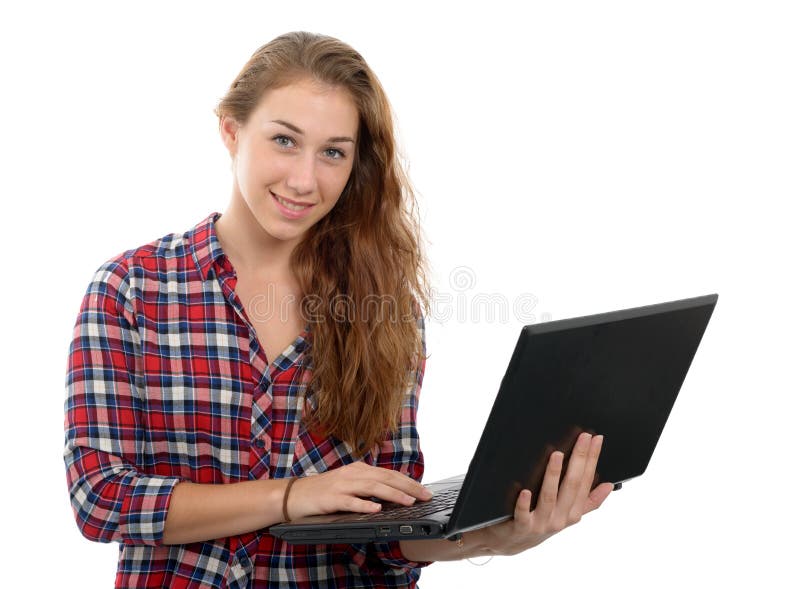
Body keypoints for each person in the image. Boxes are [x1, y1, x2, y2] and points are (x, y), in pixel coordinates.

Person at [63, 31, 614, 588]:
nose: (305, 180)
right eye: (284, 140)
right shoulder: (132, 289)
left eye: (333, 152)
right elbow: (100, 498)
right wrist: (291, 497)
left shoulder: (383, 306)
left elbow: (385, 532)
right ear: (231, 131)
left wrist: (494, 537)